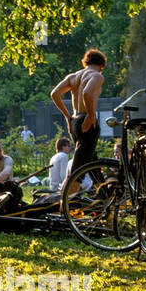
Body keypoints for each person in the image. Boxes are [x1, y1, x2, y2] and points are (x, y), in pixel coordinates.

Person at [51, 48, 106, 197]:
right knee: (78, 169)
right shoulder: (96, 76)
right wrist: (90, 114)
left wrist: (68, 117)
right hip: (86, 121)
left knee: (91, 161)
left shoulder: (74, 76)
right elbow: (87, 92)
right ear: (102, 65)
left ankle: (105, 196)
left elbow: (54, 94)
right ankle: (63, 205)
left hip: (75, 121)